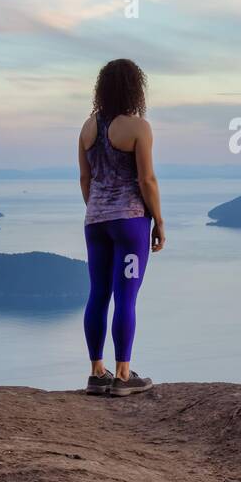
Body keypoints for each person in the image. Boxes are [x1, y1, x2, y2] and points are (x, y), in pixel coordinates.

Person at [77, 59, 165, 396]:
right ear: (135, 88)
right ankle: (124, 375)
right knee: (125, 297)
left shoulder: (87, 128)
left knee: (98, 294)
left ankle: (96, 372)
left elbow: (85, 178)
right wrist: (158, 219)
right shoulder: (138, 127)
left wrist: (97, 209)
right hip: (130, 223)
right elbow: (147, 179)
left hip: (95, 222)